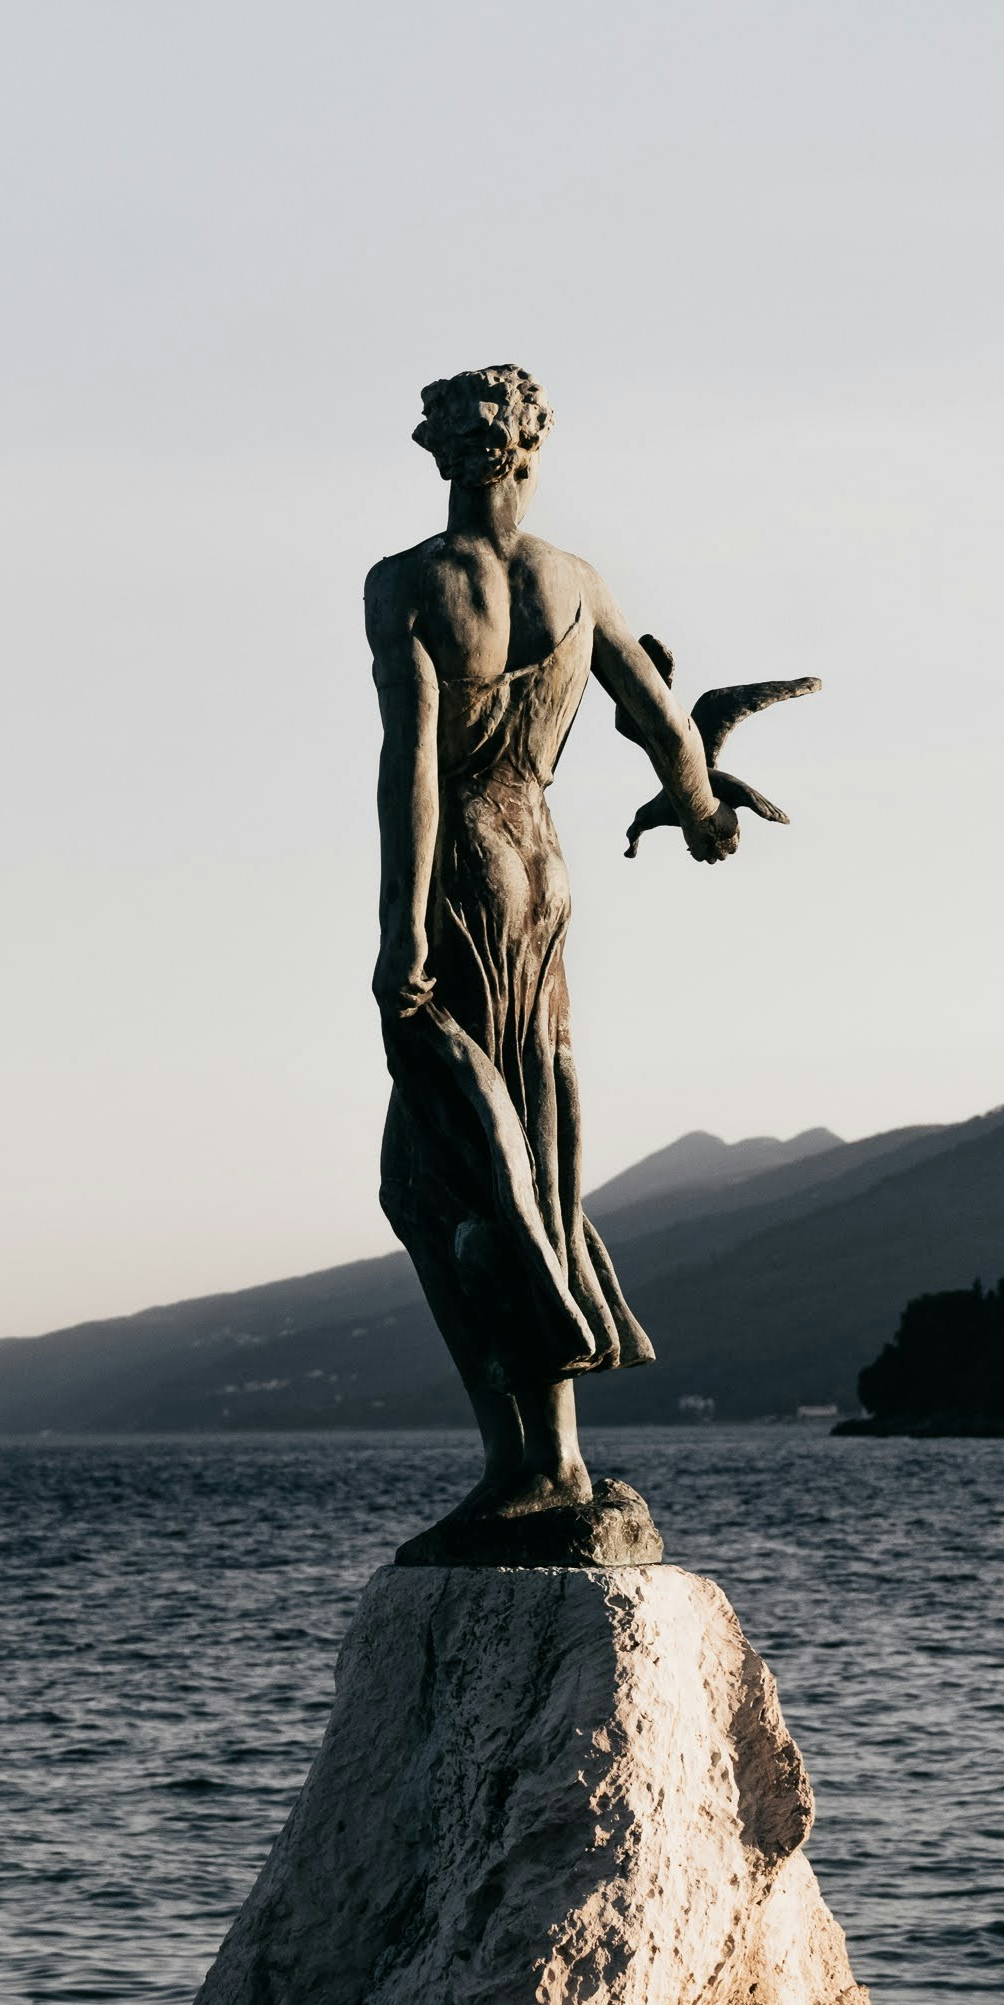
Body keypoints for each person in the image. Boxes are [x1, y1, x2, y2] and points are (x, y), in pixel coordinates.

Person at [367, 364, 737, 1547]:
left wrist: (402, 927)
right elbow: (664, 725)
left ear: (440, 453)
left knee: (441, 1185)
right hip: (548, 869)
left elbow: (416, 764)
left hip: (470, 870)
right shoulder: (576, 584)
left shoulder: (412, 585)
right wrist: (702, 811)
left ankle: (522, 1463)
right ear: (532, 451)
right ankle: (557, 1459)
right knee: (533, 1149)